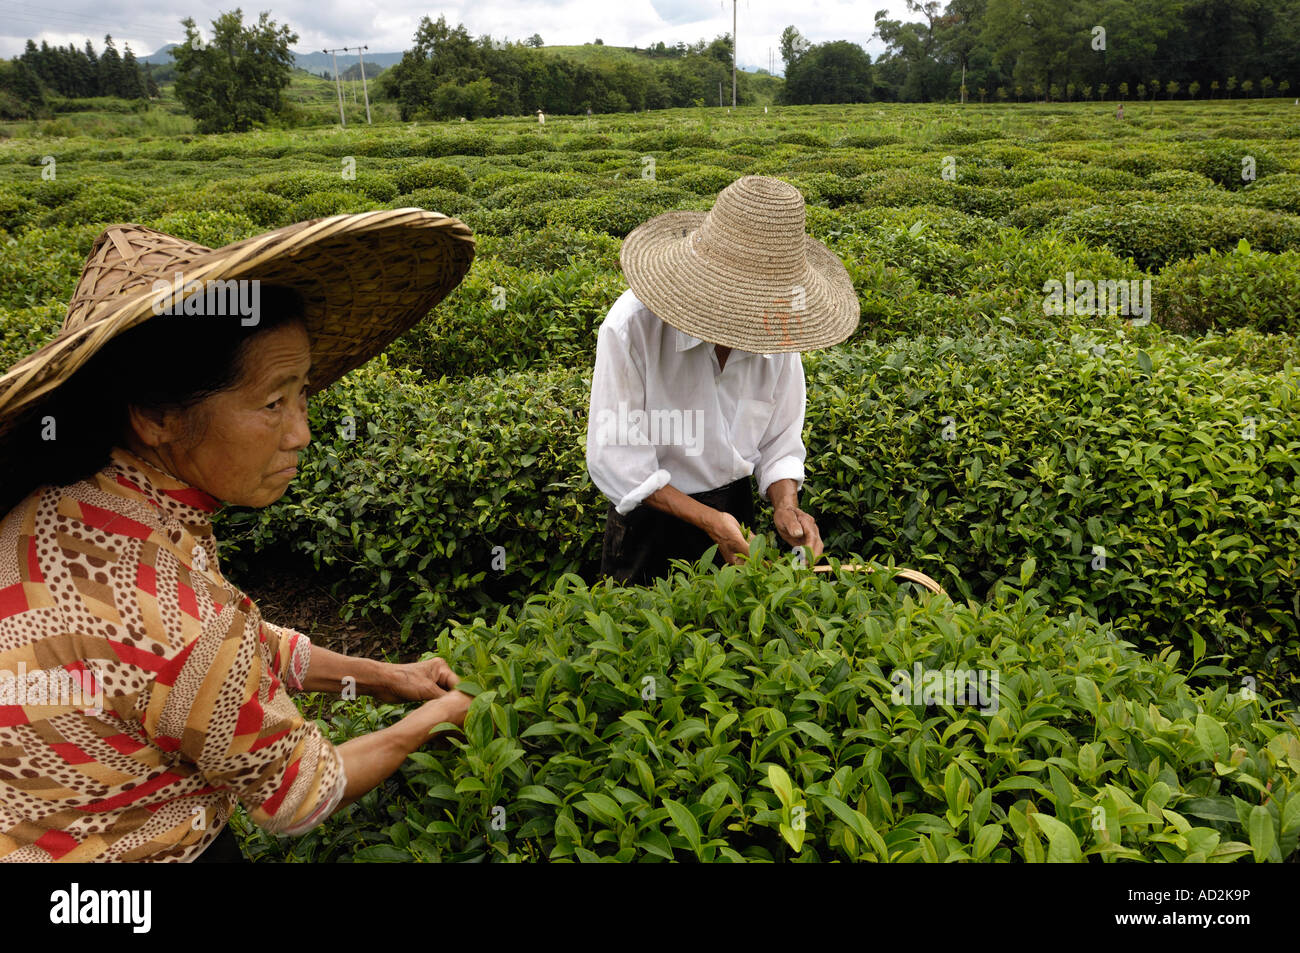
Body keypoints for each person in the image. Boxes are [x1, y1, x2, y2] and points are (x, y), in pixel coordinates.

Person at [0, 209, 476, 861]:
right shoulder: (179, 615)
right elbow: (301, 791)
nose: (301, 432)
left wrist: (389, 678)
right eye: (273, 402)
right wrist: (434, 719)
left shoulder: (64, 498)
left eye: (304, 393)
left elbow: (220, 660)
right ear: (156, 415)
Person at [586, 175, 860, 585]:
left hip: (735, 515)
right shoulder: (633, 327)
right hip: (649, 524)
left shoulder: (779, 328)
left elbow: (779, 439)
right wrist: (708, 521)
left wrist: (785, 503)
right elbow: (618, 460)